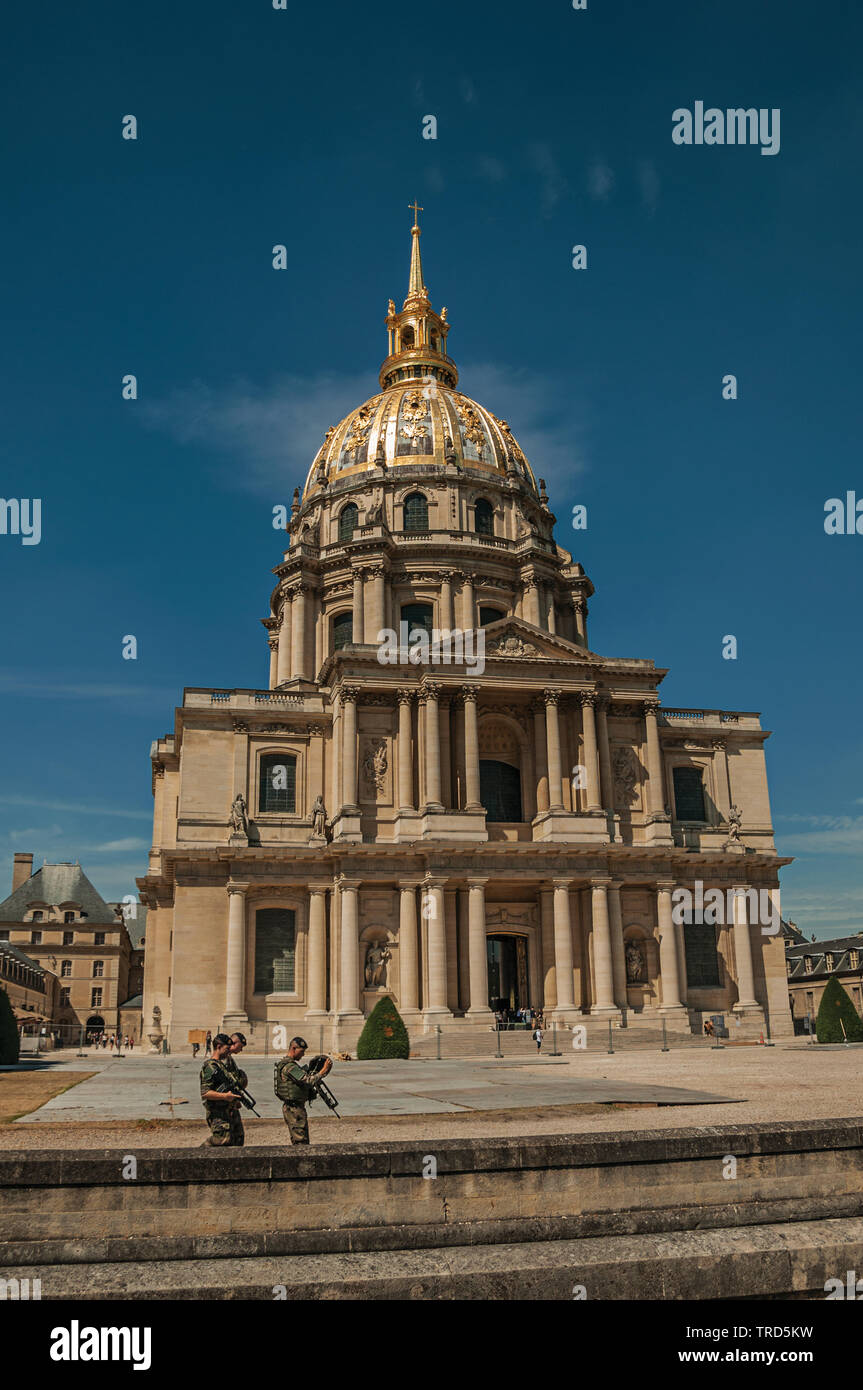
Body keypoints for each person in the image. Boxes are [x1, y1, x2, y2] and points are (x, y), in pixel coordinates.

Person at [273, 1036, 332, 1145]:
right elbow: (308, 1081)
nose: (303, 1054)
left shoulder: (290, 1065)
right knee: (301, 1141)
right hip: (294, 1110)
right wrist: (323, 1071)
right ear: (293, 1048)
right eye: (301, 1051)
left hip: (295, 1108)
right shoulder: (290, 1067)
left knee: (300, 1139)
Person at [200, 1033, 245, 1146]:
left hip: (229, 1109)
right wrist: (225, 1096)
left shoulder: (221, 1066)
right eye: (226, 1048)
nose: (228, 1051)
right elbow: (205, 1092)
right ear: (219, 1047)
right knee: (221, 1140)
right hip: (218, 1112)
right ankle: (196, 1154)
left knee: (237, 1139)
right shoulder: (210, 1067)